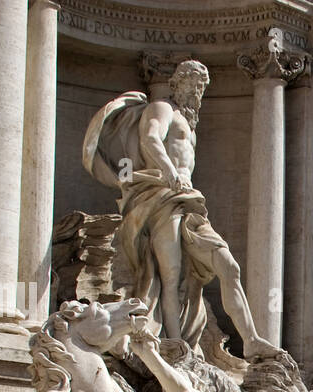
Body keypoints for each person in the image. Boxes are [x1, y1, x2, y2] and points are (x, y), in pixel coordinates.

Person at [83, 60, 275, 359]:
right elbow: (149, 138)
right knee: (170, 274)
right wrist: (170, 172)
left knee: (229, 266)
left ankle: (250, 339)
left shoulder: (189, 125)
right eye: (190, 84)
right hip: (161, 196)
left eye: (200, 87)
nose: (196, 92)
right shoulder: (162, 108)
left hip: (189, 202)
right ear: (175, 85)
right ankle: (175, 345)